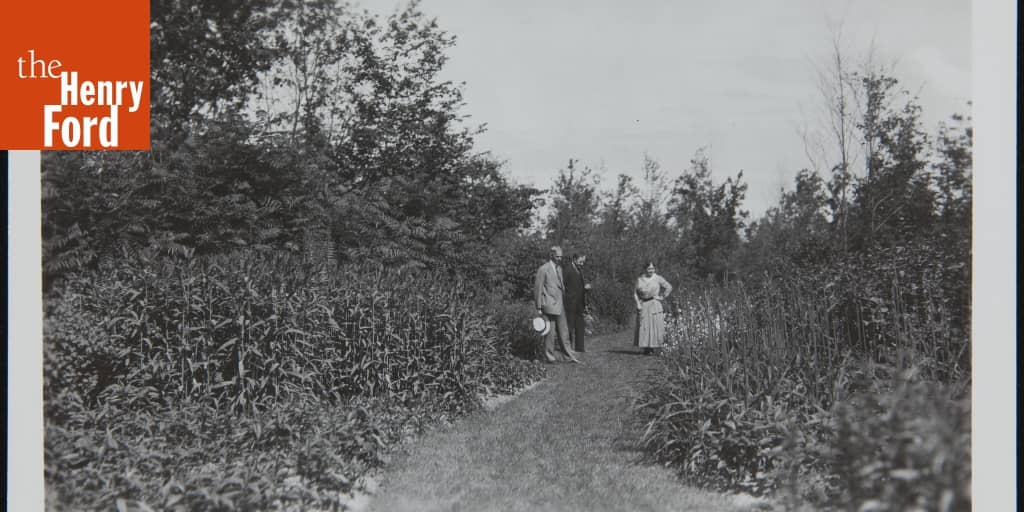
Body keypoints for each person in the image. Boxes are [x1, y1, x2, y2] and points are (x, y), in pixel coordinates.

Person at [534, 246, 581, 363]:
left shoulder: (559, 268)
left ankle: (568, 355)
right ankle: (550, 357)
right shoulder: (543, 269)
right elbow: (538, 289)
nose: (559, 259)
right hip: (548, 306)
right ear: (551, 255)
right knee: (549, 334)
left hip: (560, 305)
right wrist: (539, 307)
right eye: (557, 256)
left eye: (561, 256)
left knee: (564, 332)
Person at [634, 261, 673, 355]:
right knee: (644, 326)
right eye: (649, 269)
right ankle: (646, 348)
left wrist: (662, 296)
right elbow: (635, 293)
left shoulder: (658, 278)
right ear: (645, 269)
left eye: (652, 268)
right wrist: (638, 303)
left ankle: (654, 347)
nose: (651, 270)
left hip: (655, 303)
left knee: (655, 326)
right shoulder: (640, 279)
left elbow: (669, 287)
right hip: (643, 303)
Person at [562, 253, 591, 352]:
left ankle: (580, 347)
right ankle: (568, 348)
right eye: (580, 261)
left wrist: (585, 288)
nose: (582, 264)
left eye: (583, 262)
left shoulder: (579, 270)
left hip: (579, 303)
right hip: (570, 303)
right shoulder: (567, 270)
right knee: (569, 326)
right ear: (574, 259)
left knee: (580, 326)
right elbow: (562, 286)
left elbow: (578, 286)